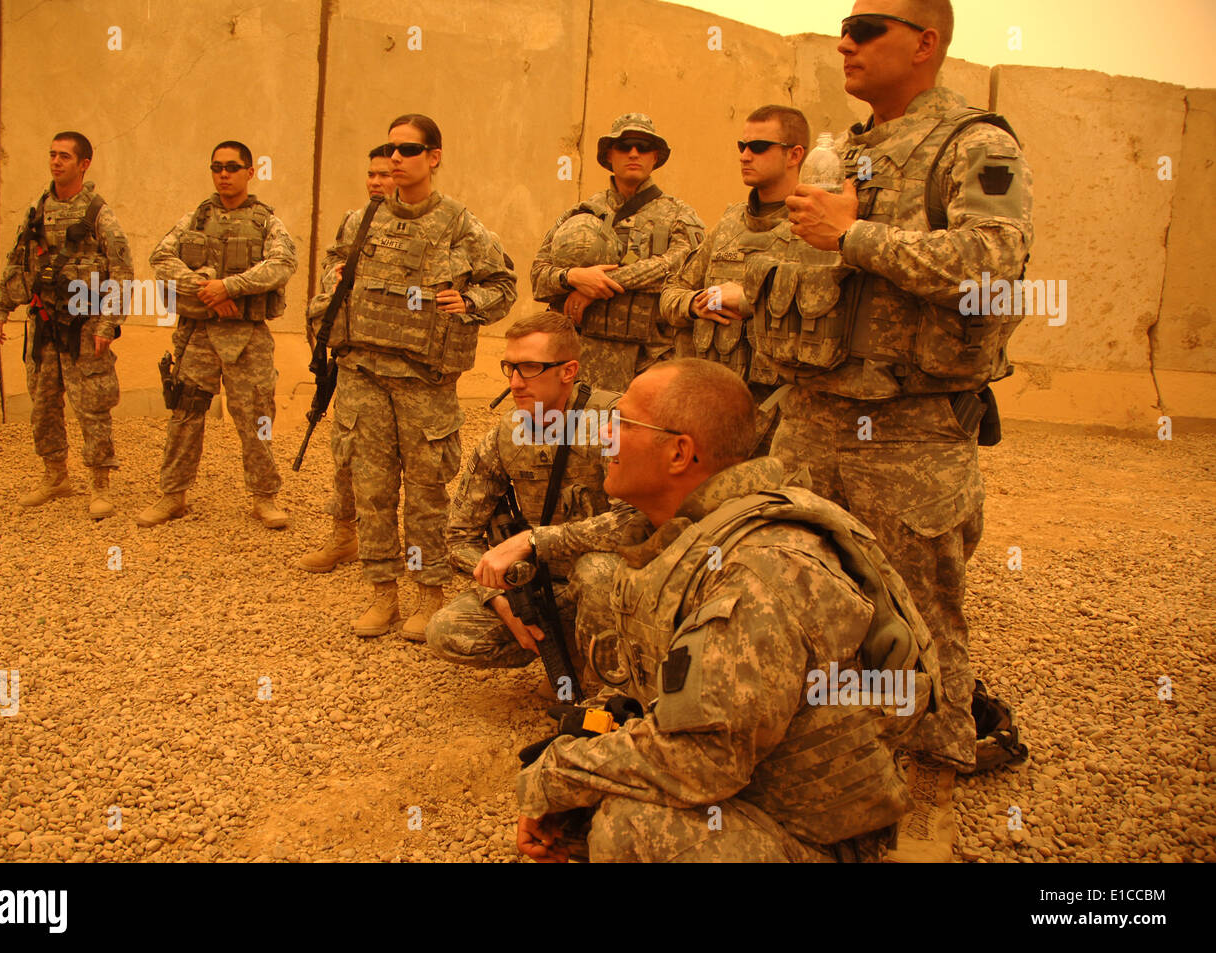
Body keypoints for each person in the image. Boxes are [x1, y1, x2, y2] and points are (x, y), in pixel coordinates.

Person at [475, 359, 940, 863]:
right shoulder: (696, 527)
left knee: (630, 831)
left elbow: (704, 760)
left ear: (679, 452)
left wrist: (555, 773)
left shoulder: (757, 572)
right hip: (751, 779)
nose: (603, 431)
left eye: (624, 422)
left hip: (806, 829)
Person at [754, 1, 1033, 778]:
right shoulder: (842, 150)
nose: (846, 41)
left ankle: (931, 782)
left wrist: (854, 235)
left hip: (910, 426)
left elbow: (991, 266)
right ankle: (826, 761)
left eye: (868, 28)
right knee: (801, 591)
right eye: (844, 27)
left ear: (925, 43)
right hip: (811, 415)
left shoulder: (977, 145)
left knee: (917, 614)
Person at [308, 113, 517, 640]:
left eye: (408, 150)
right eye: (390, 149)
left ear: (434, 157)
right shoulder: (359, 222)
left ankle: (428, 594)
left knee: (426, 493)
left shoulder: (463, 226)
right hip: (363, 375)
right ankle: (382, 594)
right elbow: (329, 277)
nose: (396, 159)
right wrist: (331, 288)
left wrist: (469, 301)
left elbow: (505, 286)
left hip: (424, 382)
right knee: (373, 490)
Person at [425, 312, 618, 686]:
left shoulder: (613, 422)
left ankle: (610, 687)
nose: (515, 383)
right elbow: (459, 537)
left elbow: (640, 520)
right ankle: (572, 652)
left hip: (617, 585)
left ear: (568, 370)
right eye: (509, 368)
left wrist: (530, 542)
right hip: (542, 584)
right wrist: (497, 591)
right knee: (447, 630)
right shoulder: (507, 434)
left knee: (596, 571)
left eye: (529, 368)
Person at [136, 141, 297, 529]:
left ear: (249, 171)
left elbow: (284, 262)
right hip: (199, 336)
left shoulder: (266, 222)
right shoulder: (194, 219)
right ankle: (173, 494)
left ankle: (264, 497)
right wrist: (203, 289)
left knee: (256, 419)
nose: (224, 174)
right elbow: (160, 258)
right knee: (185, 415)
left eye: (232, 167)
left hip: (247, 339)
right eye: (217, 167)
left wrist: (231, 288)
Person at [0, 131, 133, 519]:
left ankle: (99, 484)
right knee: (43, 405)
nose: (56, 162)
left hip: (85, 325)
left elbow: (122, 271)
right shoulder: (37, 209)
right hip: (43, 324)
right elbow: (17, 260)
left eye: (65, 157)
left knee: (92, 404)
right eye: (53, 155)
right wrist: (1, 308)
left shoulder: (99, 213)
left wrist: (108, 324)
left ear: (83, 164)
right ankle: (55, 476)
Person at [659, 104, 809, 452]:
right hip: (715, 410)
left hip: (785, 416)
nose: (745, 156)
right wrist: (698, 304)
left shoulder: (814, 227)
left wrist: (749, 299)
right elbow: (670, 296)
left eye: (758, 147)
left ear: (794, 155)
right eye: (740, 146)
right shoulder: (728, 225)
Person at [531, 113, 704, 392]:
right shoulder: (580, 214)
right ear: (609, 154)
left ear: (655, 156)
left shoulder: (680, 215)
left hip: (652, 360)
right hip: (584, 356)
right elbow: (538, 276)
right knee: (583, 434)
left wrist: (597, 286)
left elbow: (681, 269)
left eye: (643, 146)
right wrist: (573, 277)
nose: (634, 152)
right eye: (624, 146)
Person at [297, 144, 397, 572]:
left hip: (405, 361)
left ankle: (406, 553)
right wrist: (333, 274)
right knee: (348, 451)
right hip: (356, 357)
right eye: (371, 174)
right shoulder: (357, 221)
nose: (375, 182)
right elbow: (334, 259)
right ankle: (344, 536)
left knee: (411, 465)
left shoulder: (436, 224)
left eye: (384, 175)